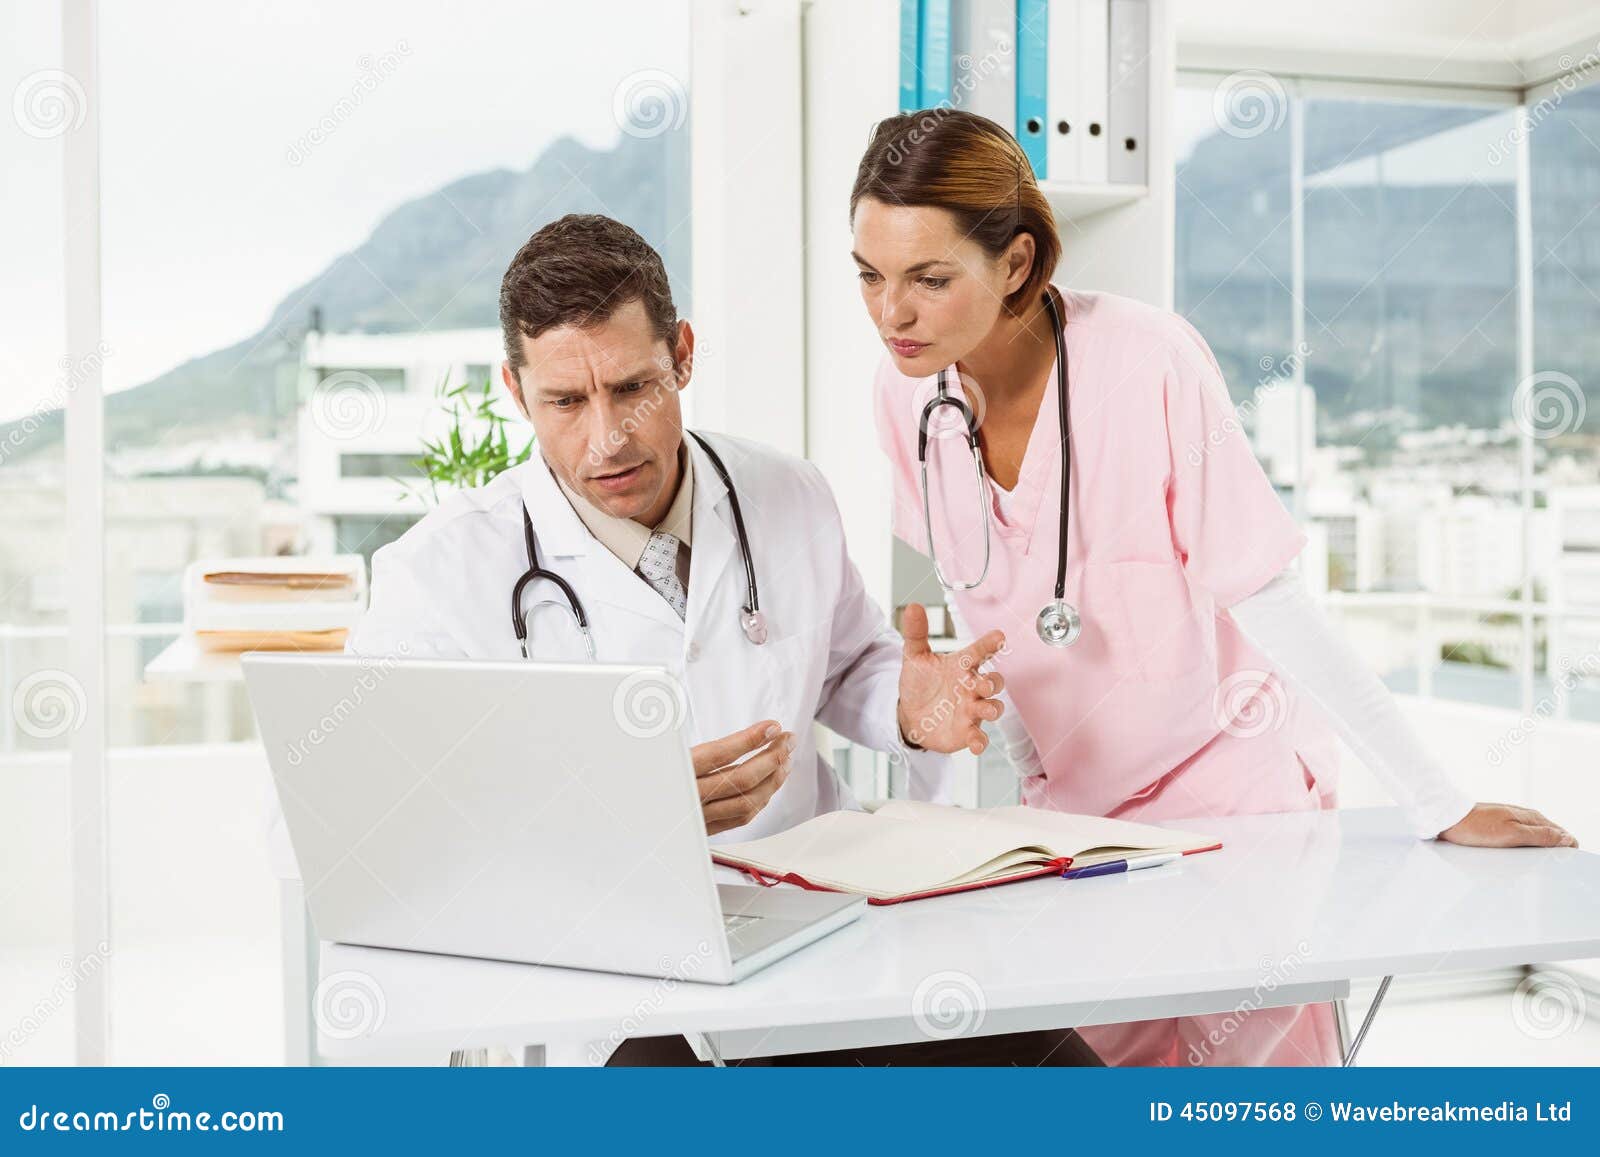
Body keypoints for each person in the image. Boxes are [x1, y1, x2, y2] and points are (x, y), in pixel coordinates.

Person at [853, 110, 1576, 1067]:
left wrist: (1435, 801)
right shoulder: (906, 396)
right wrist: (1001, 786)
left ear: (1017, 263)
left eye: (929, 279)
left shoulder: (1147, 359)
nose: (890, 312)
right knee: (1103, 1085)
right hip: (1076, 820)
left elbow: (1265, 594)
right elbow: (975, 604)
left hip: (1233, 799)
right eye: (869, 274)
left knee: (1248, 1099)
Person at [345, 212, 1102, 1067]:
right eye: (565, 401)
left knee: (1072, 1089)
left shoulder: (785, 492)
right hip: (618, 975)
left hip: (826, 924)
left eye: (634, 388)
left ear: (684, 356)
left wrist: (908, 704)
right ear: (516, 393)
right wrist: (616, 807)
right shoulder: (445, 572)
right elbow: (365, 821)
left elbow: (846, 661)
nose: (608, 439)